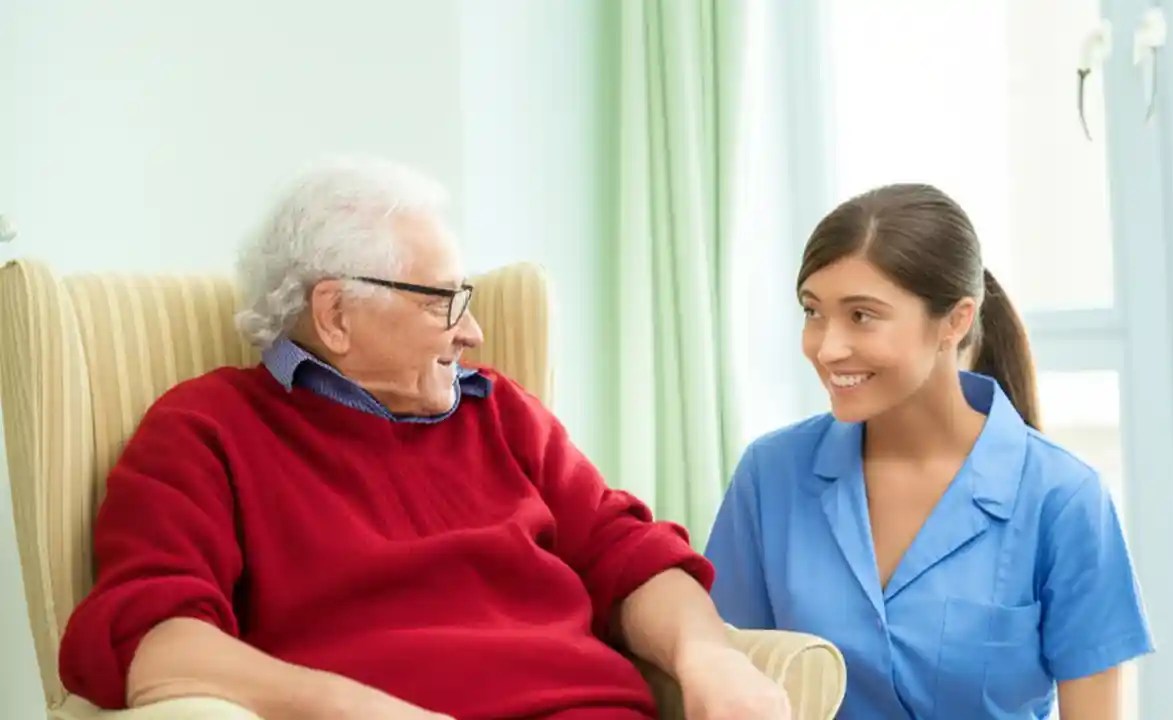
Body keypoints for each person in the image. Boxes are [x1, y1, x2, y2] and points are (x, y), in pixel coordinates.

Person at [57, 157, 790, 720]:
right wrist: (354, 706)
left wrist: (706, 655)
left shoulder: (500, 411)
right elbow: (151, 641)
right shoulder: (206, 429)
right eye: (445, 302)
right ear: (337, 313)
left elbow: (629, 555)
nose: (473, 332)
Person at [704, 183, 1153, 719]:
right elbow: (725, 673)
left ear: (955, 321)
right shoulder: (771, 476)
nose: (826, 347)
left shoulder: (1062, 498)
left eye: (861, 316)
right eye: (813, 312)